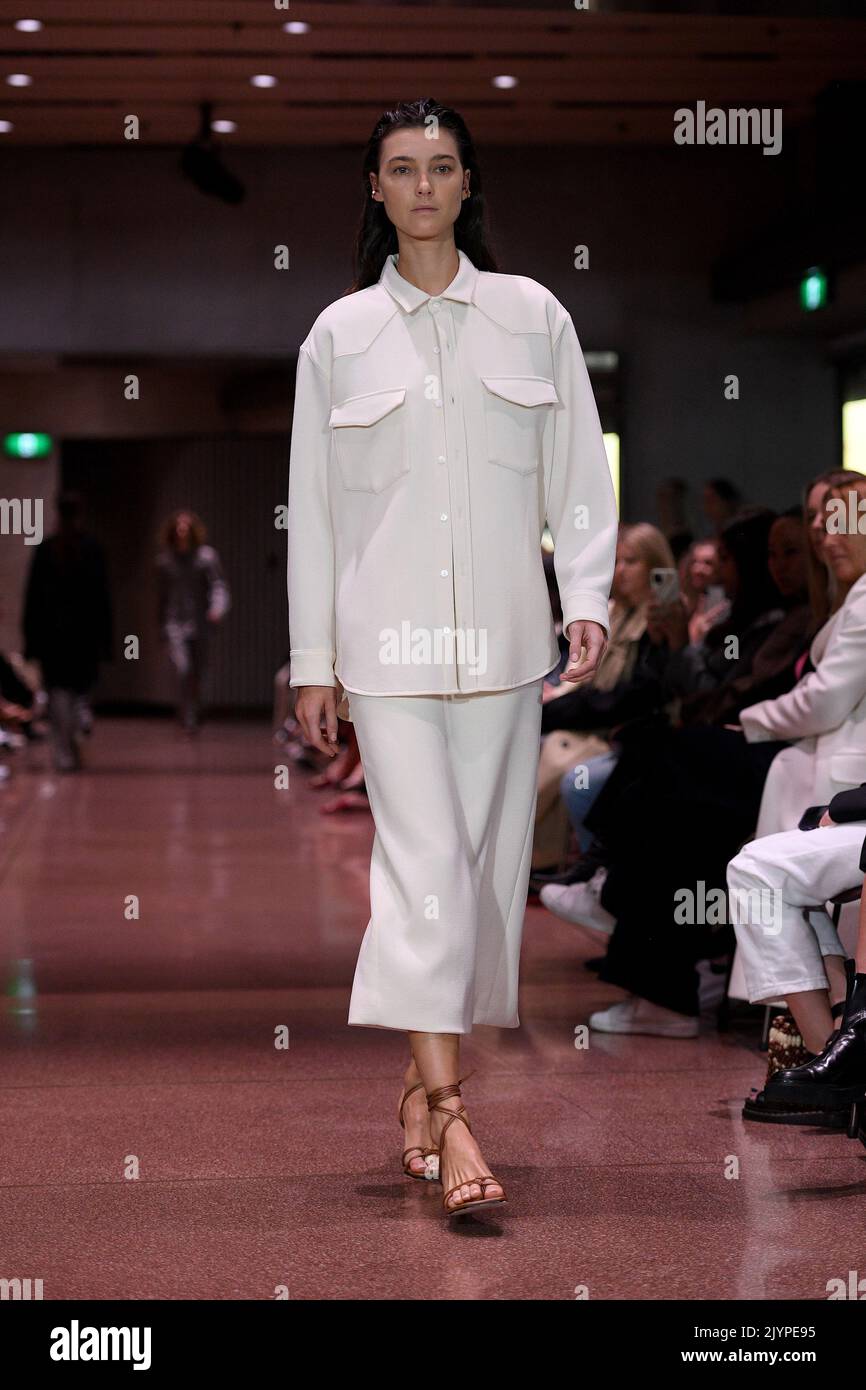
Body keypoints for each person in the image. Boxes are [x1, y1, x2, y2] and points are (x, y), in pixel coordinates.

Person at [286, 98, 618, 1216]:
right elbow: (315, 510)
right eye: (400, 168)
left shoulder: (531, 315)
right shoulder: (337, 336)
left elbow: (577, 471)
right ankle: (461, 1112)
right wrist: (311, 658)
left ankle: (418, 1090)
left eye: (440, 166)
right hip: (384, 652)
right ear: (374, 192)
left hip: (506, 648)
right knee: (423, 874)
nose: (422, 185)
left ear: (467, 183)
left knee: (476, 883)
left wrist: (583, 596)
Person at [22, 490, 112, 772]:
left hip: (55, 637)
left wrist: (31, 638)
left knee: (60, 692)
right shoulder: (91, 548)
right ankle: (69, 741)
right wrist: (107, 641)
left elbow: (33, 599)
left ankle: (64, 746)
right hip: (82, 636)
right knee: (77, 693)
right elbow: (103, 599)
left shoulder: (48, 549)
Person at [155, 510, 230, 733]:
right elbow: (162, 597)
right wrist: (161, 625)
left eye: (186, 527)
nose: (182, 531)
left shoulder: (207, 558)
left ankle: (195, 710)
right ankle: (186, 714)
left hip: (200, 623)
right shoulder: (165, 562)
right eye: (178, 527)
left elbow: (219, 586)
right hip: (175, 624)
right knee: (183, 668)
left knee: (200, 671)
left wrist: (217, 609)